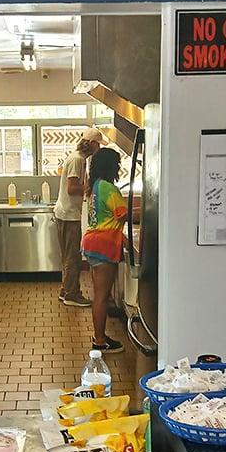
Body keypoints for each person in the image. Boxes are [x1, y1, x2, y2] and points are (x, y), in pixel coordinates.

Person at [81, 147, 128, 354]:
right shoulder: (108, 188)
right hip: (103, 245)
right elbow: (122, 214)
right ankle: (99, 341)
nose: (118, 168)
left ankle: (100, 336)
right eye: (117, 164)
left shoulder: (95, 186)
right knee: (101, 295)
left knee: (100, 294)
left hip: (92, 243)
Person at [53, 127, 106, 307]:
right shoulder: (77, 160)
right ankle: (72, 294)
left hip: (65, 213)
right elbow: (71, 187)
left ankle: (65, 289)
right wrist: (88, 187)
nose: (99, 148)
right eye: (98, 144)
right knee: (72, 256)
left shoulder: (78, 159)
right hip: (68, 215)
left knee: (68, 255)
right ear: (91, 144)